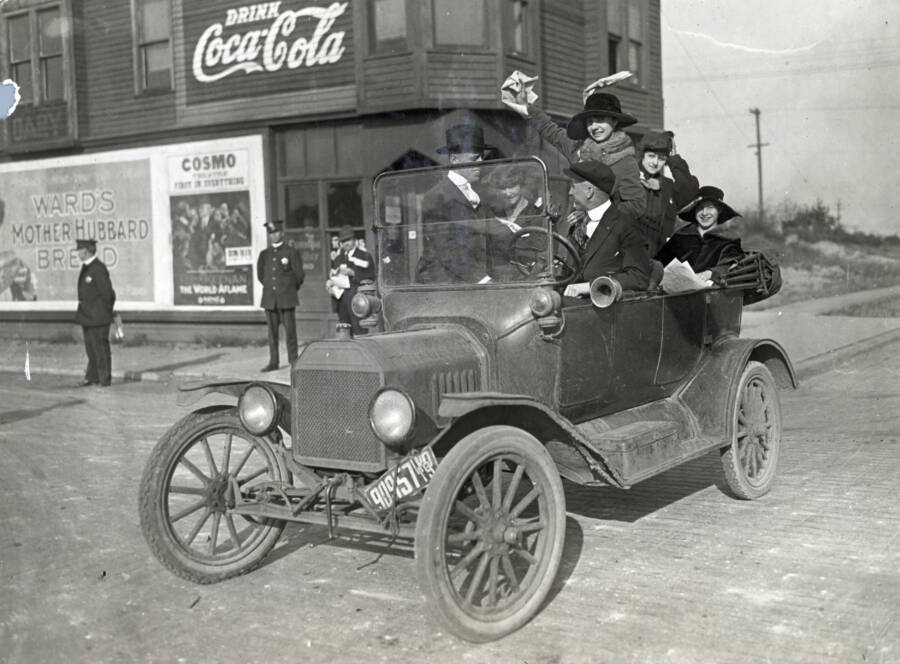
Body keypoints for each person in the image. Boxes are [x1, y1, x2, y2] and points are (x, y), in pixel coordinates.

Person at [510, 89, 646, 220]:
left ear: (614, 121)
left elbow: (636, 206)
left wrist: (593, 214)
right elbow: (550, 130)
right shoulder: (578, 148)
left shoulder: (626, 162)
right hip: (572, 233)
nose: (594, 127)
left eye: (600, 120)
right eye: (590, 122)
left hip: (608, 237)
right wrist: (526, 107)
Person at [656, 186, 782, 303]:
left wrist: (710, 273)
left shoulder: (727, 239)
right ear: (694, 211)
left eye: (710, 207)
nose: (704, 213)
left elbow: (730, 264)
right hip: (674, 301)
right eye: (700, 208)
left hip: (711, 303)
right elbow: (659, 262)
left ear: (719, 210)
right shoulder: (681, 236)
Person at [560, 161, 651, 298]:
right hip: (571, 307)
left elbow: (639, 277)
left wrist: (589, 286)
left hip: (606, 310)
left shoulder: (626, 226)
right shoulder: (577, 225)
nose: (569, 192)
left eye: (572, 186)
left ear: (589, 191)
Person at [417, 123, 495, 282]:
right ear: (454, 159)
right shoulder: (437, 196)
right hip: (445, 286)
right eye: (475, 158)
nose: (481, 162)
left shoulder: (478, 193)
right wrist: (482, 280)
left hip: (475, 281)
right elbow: (446, 249)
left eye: (482, 156)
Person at [634, 131, 699, 256]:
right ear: (642, 155)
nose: (655, 163)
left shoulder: (667, 186)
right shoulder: (628, 178)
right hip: (628, 255)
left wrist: (675, 160)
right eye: (651, 156)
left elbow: (689, 191)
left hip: (656, 258)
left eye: (662, 159)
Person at [257, 219, 305, 371]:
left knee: (290, 333)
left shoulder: (291, 252)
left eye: (276, 232)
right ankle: (274, 362)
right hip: (270, 299)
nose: (274, 235)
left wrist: (289, 290)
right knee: (272, 334)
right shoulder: (264, 254)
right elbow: (261, 276)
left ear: (282, 233)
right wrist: (272, 290)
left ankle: (293, 361)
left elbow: (299, 275)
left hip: (287, 298)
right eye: (271, 233)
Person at [75, 238, 115, 387]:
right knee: (91, 349)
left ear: (85, 251)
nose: (78, 253)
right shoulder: (87, 267)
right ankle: (92, 377)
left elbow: (108, 294)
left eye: (79, 250)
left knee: (100, 349)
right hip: (87, 316)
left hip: (99, 317)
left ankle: (104, 379)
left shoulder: (98, 268)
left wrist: (106, 312)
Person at [327, 225, 374, 336]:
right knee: (344, 332)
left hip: (358, 301)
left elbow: (371, 276)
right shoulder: (338, 258)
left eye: (348, 240)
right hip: (342, 302)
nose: (345, 243)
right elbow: (333, 275)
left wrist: (354, 273)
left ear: (354, 240)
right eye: (342, 241)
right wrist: (329, 285)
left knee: (359, 332)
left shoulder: (364, 255)